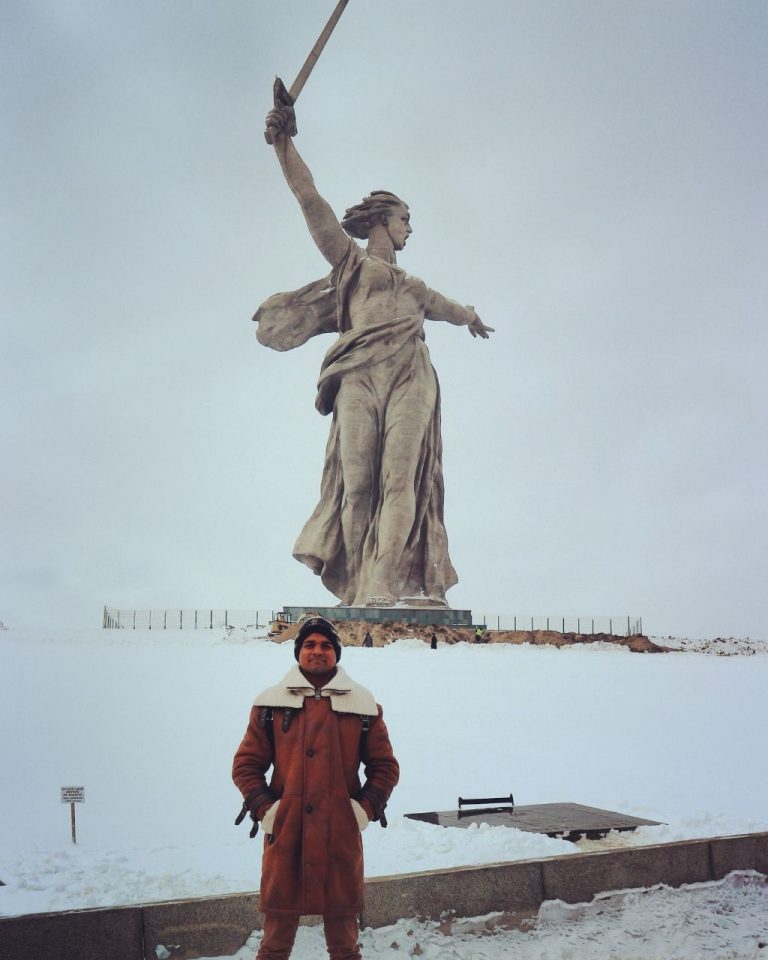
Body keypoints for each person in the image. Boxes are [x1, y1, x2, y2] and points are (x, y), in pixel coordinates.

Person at [255, 101, 494, 609]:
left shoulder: (417, 288)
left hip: (410, 375)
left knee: (400, 479)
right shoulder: (351, 265)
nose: (410, 228)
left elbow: (452, 310)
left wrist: (471, 315)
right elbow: (310, 201)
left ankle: (385, 585)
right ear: (383, 221)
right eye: (406, 219)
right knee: (358, 484)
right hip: (358, 375)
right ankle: (359, 586)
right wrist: (284, 145)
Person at [233, 616, 399, 960]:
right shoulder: (270, 704)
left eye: (326, 645)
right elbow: (246, 765)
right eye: (309, 644)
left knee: (345, 945)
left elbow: (385, 768)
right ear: (299, 652)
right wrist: (267, 809)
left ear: (336, 653)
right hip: (286, 833)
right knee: (274, 943)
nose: (317, 651)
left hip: (340, 834)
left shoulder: (364, 705)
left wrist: (363, 809)